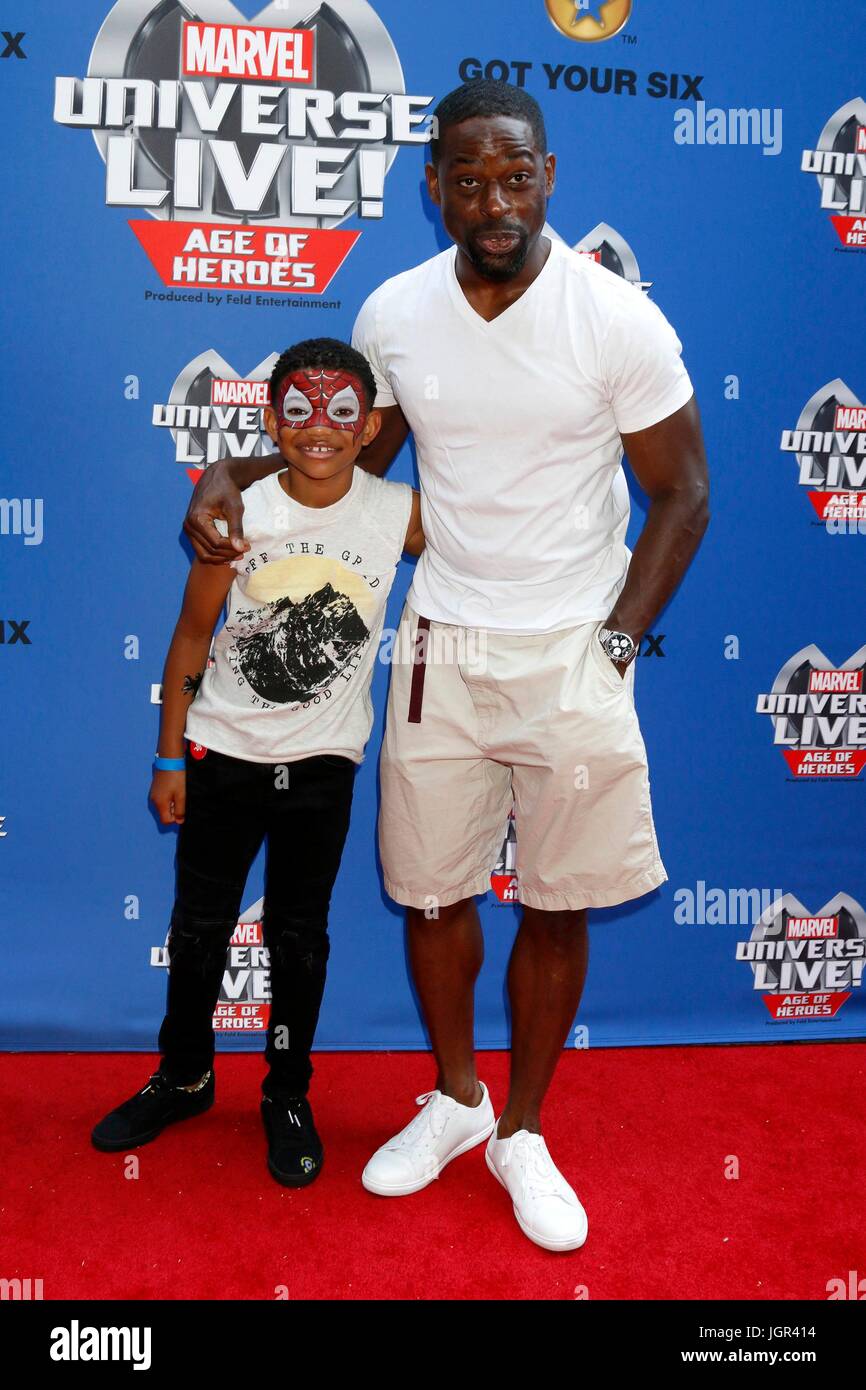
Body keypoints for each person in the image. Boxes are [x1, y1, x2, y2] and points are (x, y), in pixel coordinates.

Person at [183, 81, 709, 1250]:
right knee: (431, 889)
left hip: (573, 642)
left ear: (548, 175)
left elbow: (683, 493)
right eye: (465, 179)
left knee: (559, 902)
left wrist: (613, 643)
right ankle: (458, 1100)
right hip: (440, 644)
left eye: (512, 175)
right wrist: (226, 470)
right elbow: (336, 453)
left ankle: (522, 1127)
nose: (491, 200)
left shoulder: (613, 318)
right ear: (432, 186)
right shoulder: (395, 314)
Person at [91, 338, 423, 1187]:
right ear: (273, 421)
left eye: (343, 413)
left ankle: (286, 1091)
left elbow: (498, 548)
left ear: (371, 425)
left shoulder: (399, 513)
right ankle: (185, 1075)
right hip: (222, 754)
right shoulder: (238, 512)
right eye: (301, 413)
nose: (321, 429)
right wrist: (170, 756)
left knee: (299, 937)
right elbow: (192, 637)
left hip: (322, 767)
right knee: (198, 930)